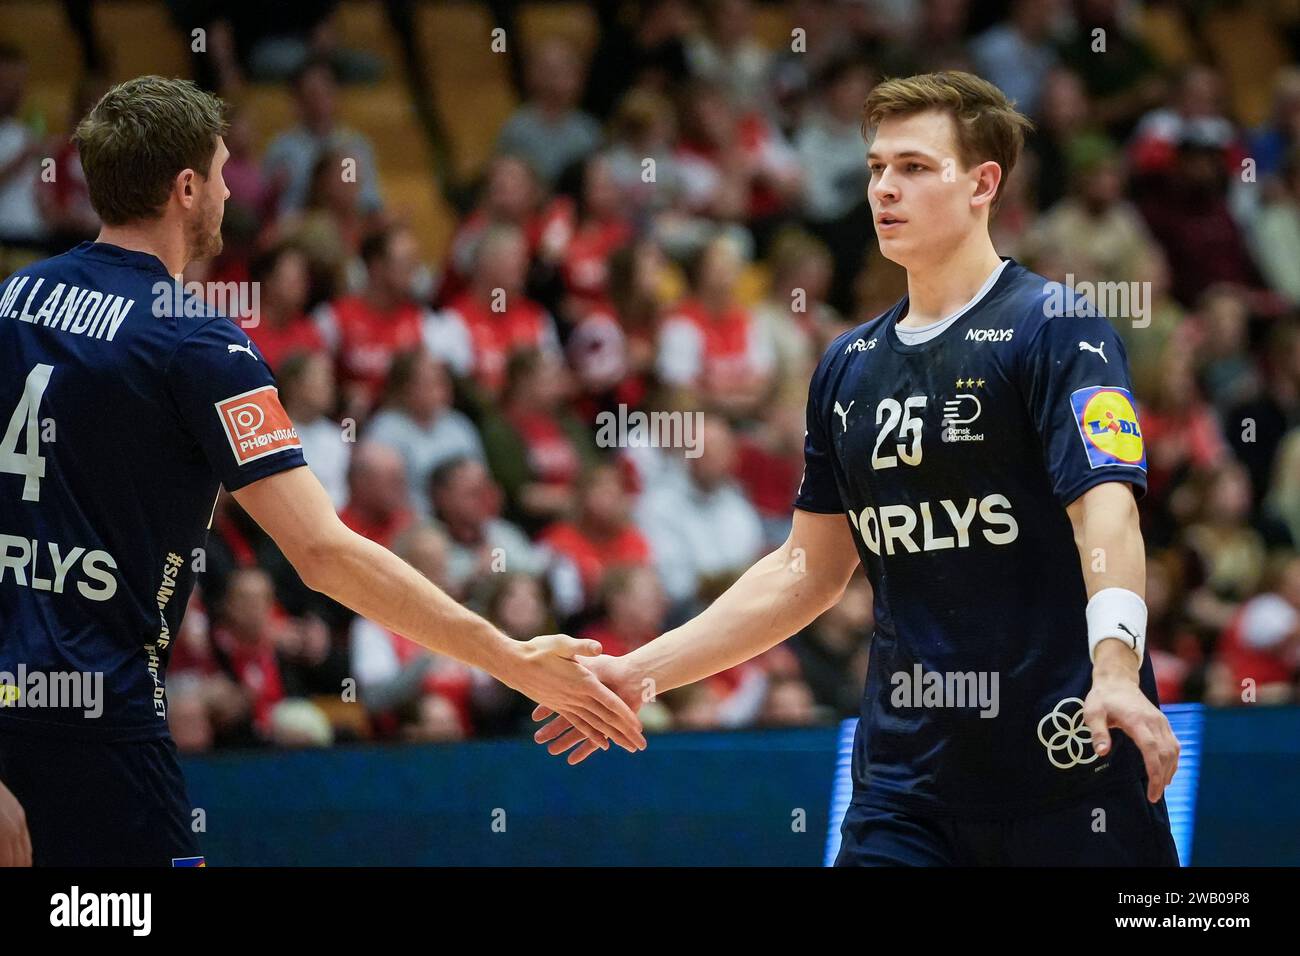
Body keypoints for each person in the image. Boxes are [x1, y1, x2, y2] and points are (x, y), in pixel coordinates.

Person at [533, 71, 1181, 867]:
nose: (885, 188)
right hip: (906, 788)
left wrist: (1116, 667)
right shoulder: (849, 365)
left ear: (983, 184)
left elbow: (1106, 510)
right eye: (877, 168)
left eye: (914, 167)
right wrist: (643, 671)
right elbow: (805, 572)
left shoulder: (1055, 326)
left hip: (1070, 763)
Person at [0, 76, 643, 868]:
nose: (233, 190)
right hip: (98, 722)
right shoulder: (201, 345)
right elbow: (323, 553)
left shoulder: (15, 298)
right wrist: (510, 660)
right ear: (187, 186)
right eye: (224, 170)